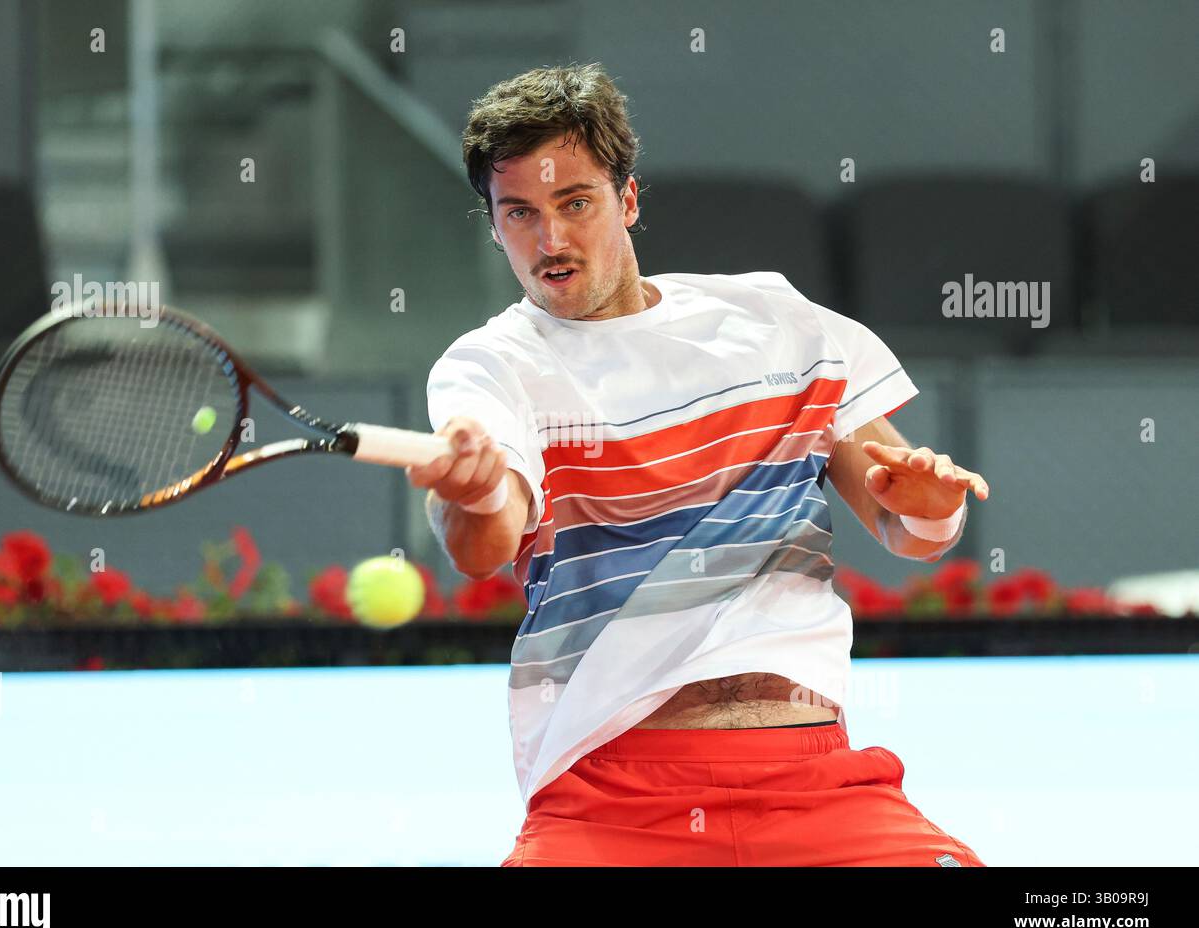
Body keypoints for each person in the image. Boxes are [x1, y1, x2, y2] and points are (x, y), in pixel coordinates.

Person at [409, 63, 990, 866]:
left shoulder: (779, 326)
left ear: (629, 200)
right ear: (495, 224)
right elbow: (484, 542)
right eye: (520, 214)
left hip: (813, 781)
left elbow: (912, 529)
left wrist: (932, 503)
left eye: (576, 203)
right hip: (607, 794)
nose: (551, 241)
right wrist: (472, 498)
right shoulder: (490, 367)